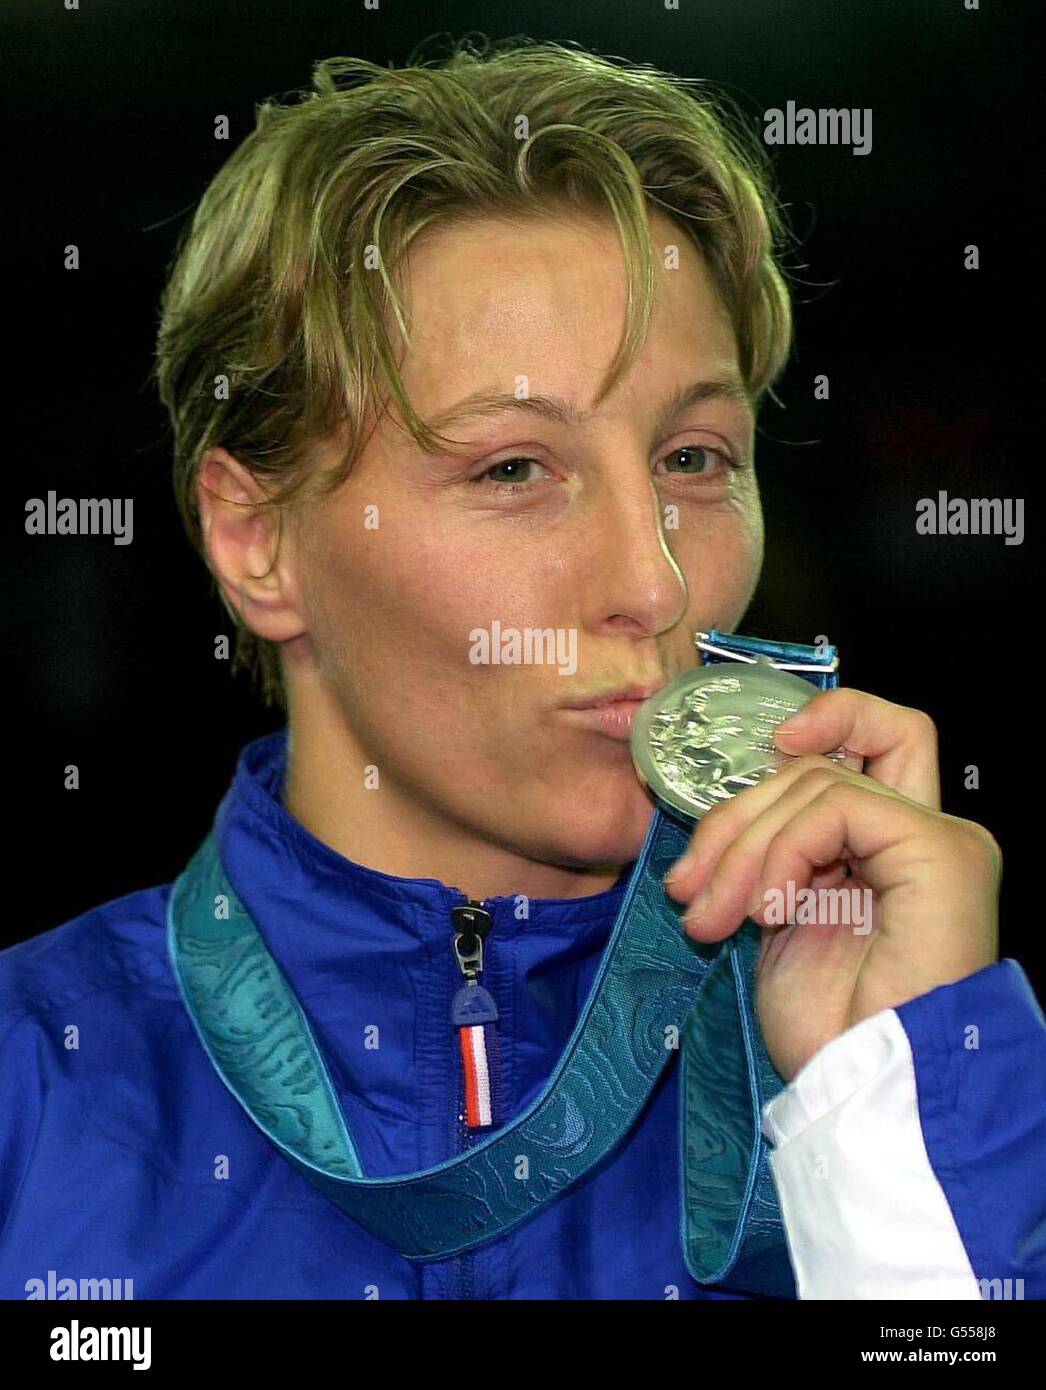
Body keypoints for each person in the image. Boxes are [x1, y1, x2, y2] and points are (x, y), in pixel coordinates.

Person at [2, 36, 1043, 1301]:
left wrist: (894, 1122)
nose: (654, 585)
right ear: (256, 537)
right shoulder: (32, 1087)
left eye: (693, 460)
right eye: (511, 469)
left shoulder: (919, 1050)